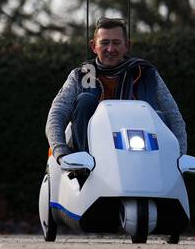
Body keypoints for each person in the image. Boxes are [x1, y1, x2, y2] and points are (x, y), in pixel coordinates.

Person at [46, 16, 187, 167]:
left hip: (142, 160)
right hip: (90, 162)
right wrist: (61, 153)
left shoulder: (146, 74)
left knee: (159, 116)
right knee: (85, 100)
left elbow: (174, 117)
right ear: (93, 46)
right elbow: (57, 114)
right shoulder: (81, 75)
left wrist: (179, 159)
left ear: (127, 45)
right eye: (105, 43)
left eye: (116, 43)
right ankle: (83, 170)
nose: (110, 49)